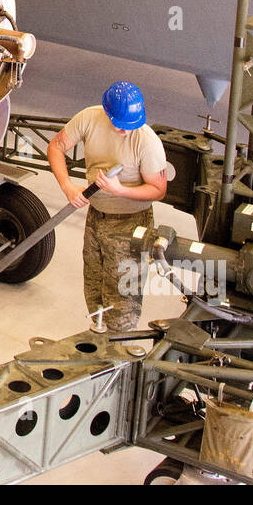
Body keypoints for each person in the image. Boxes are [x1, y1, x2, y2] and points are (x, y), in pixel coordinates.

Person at [47, 81, 168, 332]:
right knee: (94, 288)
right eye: (121, 125)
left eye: (131, 126)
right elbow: (56, 146)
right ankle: (101, 338)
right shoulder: (90, 118)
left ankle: (116, 349)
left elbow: (159, 189)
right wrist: (68, 186)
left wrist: (119, 189)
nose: (125, 131)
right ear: (108, 113)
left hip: (131, 224)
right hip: (96, 218)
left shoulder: (147, 141)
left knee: (123, 303)